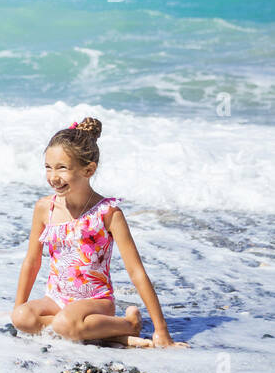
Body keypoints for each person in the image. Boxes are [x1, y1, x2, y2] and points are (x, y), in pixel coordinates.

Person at [10, 117, 188, 348]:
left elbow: (136, 272)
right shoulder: (45, 208)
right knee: (22, 317)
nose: (53, 177)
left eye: (62, 168)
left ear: (89, 169)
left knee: (65, 324)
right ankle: (102, 333)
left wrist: (161, 330)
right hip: (55, 298)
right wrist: (18, 307)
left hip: (95, 301)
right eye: (48, 167)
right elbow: (31, 262)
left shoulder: (108, 213)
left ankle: (129, 324)